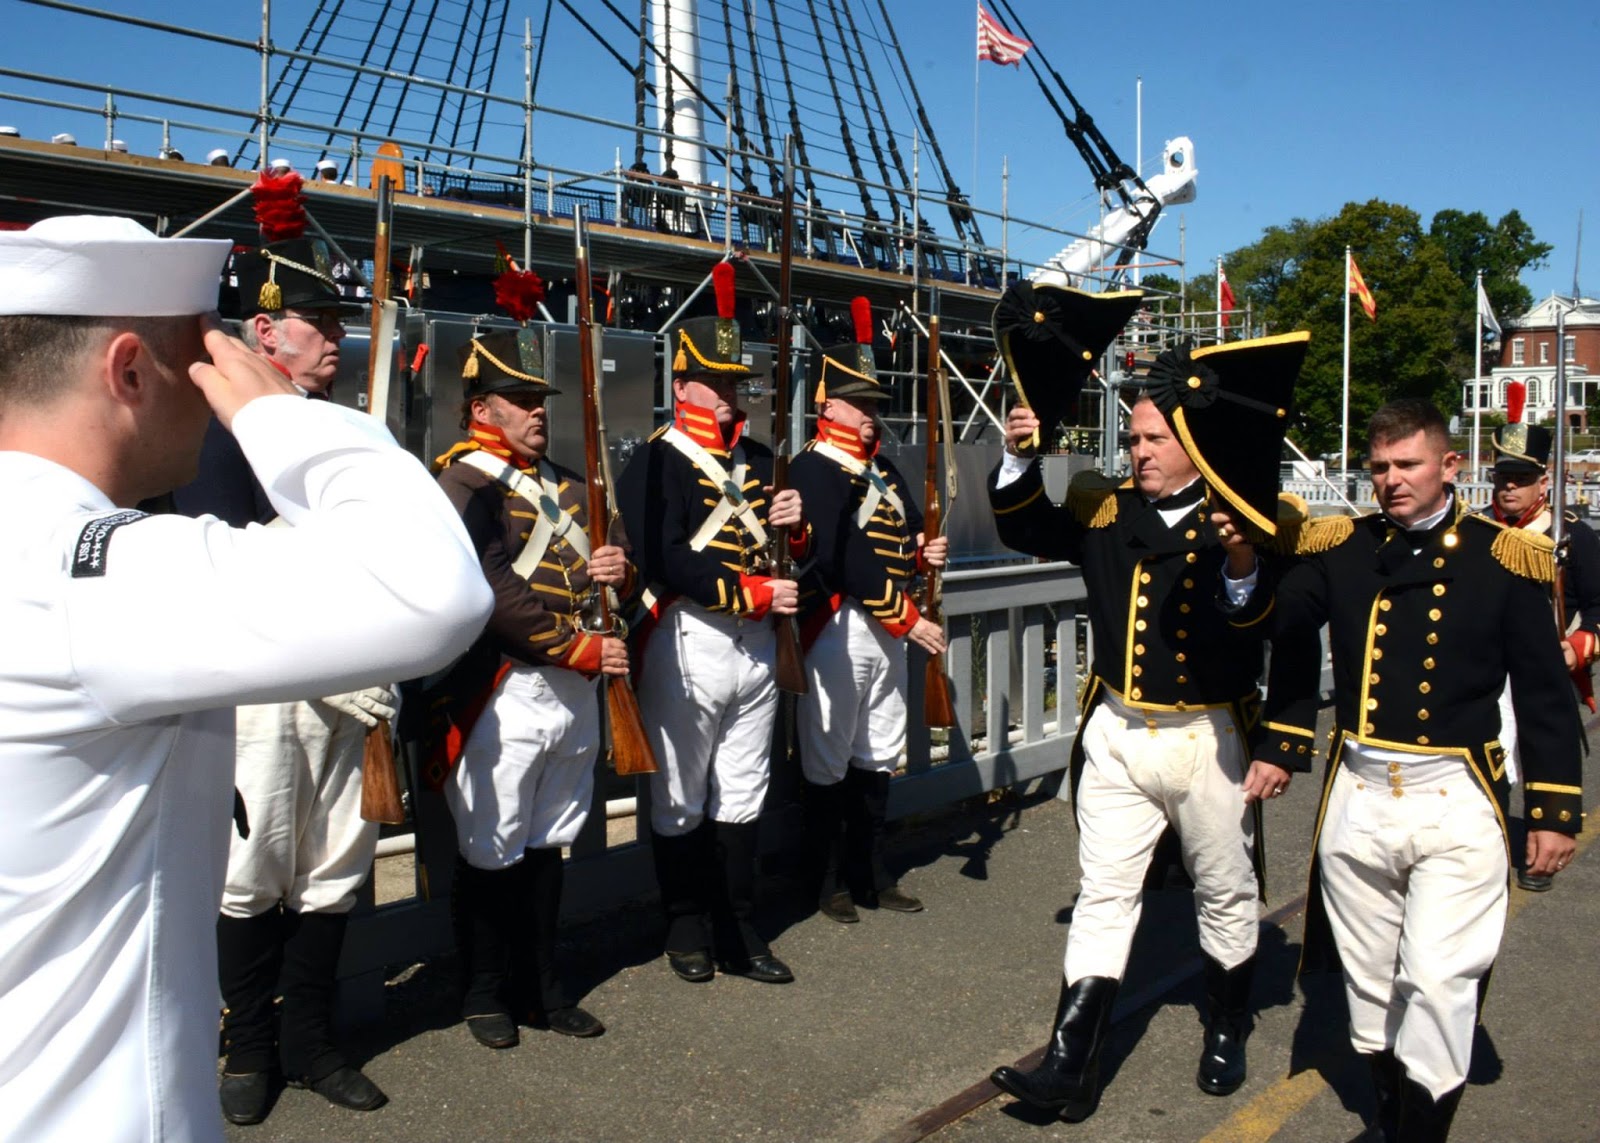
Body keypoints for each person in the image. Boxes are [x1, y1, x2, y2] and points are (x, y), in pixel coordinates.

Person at [0, 215, 492, 1142]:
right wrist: (284, 415)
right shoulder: (83, 573)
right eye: (204, 355)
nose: (218, 385)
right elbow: (434, 591)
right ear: (131, 370)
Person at [986, 322, 1306, 1122]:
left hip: (1208, 740)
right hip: (1119, 734)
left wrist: (1240, 563)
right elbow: (1025, 524)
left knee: (1226, 892)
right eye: (1132, 438)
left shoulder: (1250, 519)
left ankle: (1227, 1027)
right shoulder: (1106, 511)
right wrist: (1022, 454)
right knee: (1103, 893)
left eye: (1154, 438)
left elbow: (1273, 626)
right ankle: (1069, 1065)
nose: (1138, 452)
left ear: (1195, 442)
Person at [1258, 398, 1581, 1141]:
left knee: (1438, 980)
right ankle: (1393, 1110)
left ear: (1449, 466)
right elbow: (1283, 618)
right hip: (1362, 791)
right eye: (1379, 467)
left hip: (1454, 796)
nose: (1392, 480)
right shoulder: (1340, 546)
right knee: (1370, 985)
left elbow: (1542, 692)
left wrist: (1556, 811)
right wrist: (1249, 561)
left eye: (1408, 464)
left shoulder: (1502, 557)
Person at [167, 237, 392, 1124]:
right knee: (253, 872)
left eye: (340, 322)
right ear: (266, 330)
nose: (337, 338)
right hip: (266, 687)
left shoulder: (346, 426)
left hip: (353, 682)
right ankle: (249, 1047)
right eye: (321, 323)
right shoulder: (222, 429)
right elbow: (227, 555)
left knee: (334, 868)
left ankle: (311, 1041)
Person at [432, 328, 631, 1049]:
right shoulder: (463, 483)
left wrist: (620, 570)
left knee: (549, 841)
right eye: (520, 400)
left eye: (538, 399)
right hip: (507, 686)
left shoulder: (574, 485)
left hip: (575, 689)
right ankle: (484, 991)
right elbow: (488, 584)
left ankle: (541, 986)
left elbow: (621, 572)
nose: (537, 412)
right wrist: (577, 645)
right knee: (492, 844)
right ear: (482, 409)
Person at [617, 261, 807, 985]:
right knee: (680, 793)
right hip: (690, 636)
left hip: (759, 647)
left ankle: (739, 924)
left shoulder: (761, 461)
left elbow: (792, 558)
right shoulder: (657, 463)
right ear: (681, 385)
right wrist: (754, 594)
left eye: (735, 380)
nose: (729, 391)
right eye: (716, 380)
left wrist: (802, 530)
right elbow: (662, 557)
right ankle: (686, 923)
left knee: (744, 789)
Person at [789, 297, 946, 923]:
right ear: (828, 405)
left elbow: (900, 531)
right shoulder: (813, 467)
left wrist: (920, 548)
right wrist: (905, 616)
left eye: (875, 403)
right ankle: (825, 878)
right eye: (860, 402)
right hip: (843, 624)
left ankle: (868, 870)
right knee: (828, 754)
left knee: (878, 750)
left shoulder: (879, 467)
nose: (870, 412)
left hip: (887, 624)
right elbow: (834, 555)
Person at [1483, 409, 1600, 892]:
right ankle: (1487, 846)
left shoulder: (1572, 535)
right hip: (1487, 668)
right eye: (1503, 478)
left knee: (1541, 760)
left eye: (1521, 478)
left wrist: (1578, 648)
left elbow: (1597, 606)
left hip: (1544, 664)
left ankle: (1538, 848)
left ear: (1543, 480)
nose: (1510, 488)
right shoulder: (1474, 530)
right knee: (1492, 759)